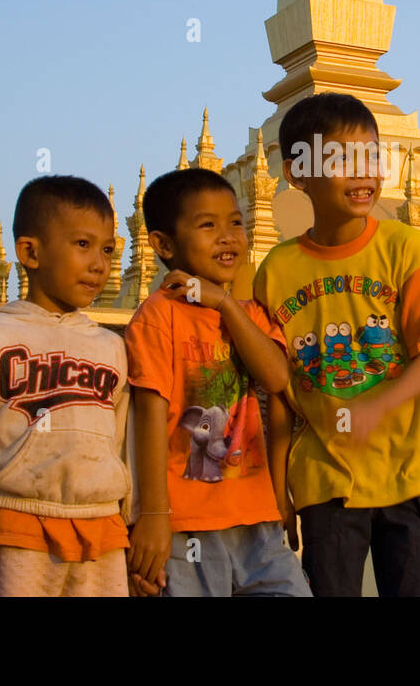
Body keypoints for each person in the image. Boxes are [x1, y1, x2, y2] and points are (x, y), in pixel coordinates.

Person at [256, 92, 420, 597]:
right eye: (341, 159)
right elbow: (277, 395)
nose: (363, 172)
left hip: (413, 474)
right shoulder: (274, 272)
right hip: (326, 479)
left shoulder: (405, 247)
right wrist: (278, 488)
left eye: (371, 155)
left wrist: (377, 404)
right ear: (297, 174)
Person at [0, 175, 137, 597]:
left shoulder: (111, 347)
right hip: (19, 525)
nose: (99, 264)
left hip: (103, 529)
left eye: (107, 249)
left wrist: (136, 526)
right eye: (82, 245)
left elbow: (125, 445)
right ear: (30, 252)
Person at [123, 168, 311, 596]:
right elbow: (149, 415)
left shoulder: (251, 315)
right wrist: (153, 513)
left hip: (256, 520)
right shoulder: (158, 314)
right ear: (163, 244)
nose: (227, 236)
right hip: (185, 523)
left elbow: (277, 376)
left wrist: (225, 304)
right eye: (208, 225)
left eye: (236, 223)